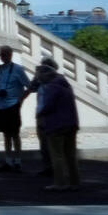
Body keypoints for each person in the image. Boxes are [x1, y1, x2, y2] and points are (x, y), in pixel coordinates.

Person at [34, 62, 80, 192]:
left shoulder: (52, 87)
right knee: (70, 154)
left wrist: (39, 114)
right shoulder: (66, 85)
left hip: (56, 125)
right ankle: (74, 181)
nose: (39, 79)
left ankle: (60, 183)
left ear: (45, 75)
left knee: (57, 155)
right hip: (71, 123)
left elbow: (47, 106)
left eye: (39, 76)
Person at [0, 45, 30, 172]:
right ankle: (8, 161)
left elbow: (29, 86)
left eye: (4, 55)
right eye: (1, 55)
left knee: (15, 134)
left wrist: (20, 100)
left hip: (12, 104)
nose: (2, 57)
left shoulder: (18, 69)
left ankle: (18, 161)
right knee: (6, 135)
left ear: (10, 54)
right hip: (1, 106)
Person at [21, 56, 59, 177]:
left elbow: (30, 89)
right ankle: (50, 166)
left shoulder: (54, 80)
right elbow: (31, 88)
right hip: (44, 113)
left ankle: (53, 167)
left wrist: (20, 101)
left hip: (48, 114)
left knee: (49, 142)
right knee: (45, 142)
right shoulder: (44, 79)